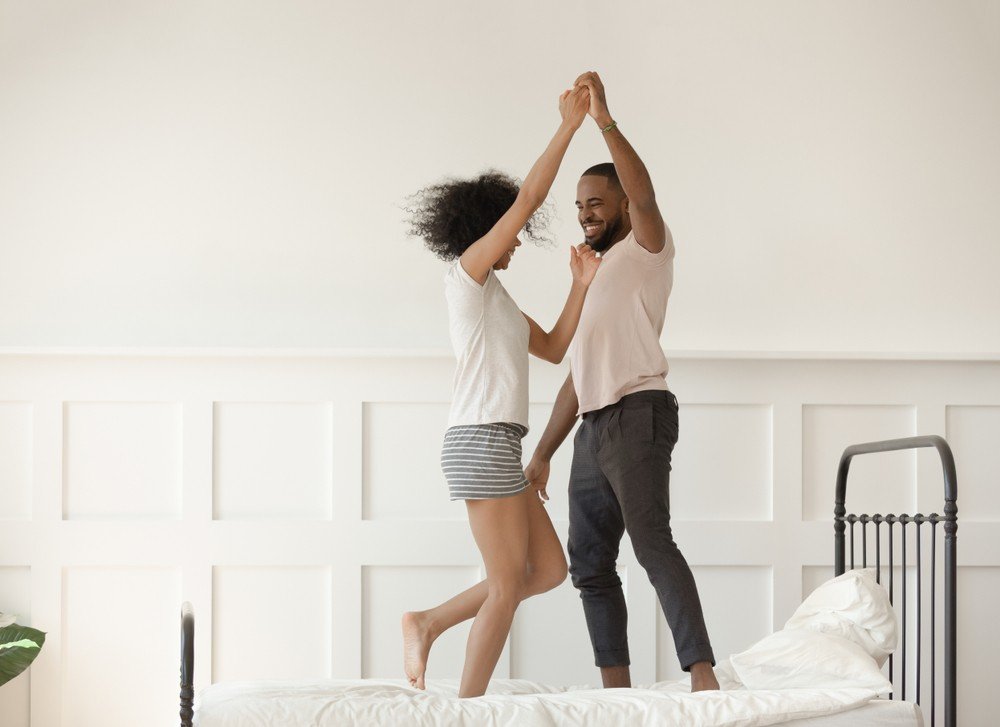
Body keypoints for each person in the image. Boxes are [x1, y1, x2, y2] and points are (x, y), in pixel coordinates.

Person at [401, 85, 601, 698]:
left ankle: (428, 620)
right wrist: (570, 126)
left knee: (548, 571)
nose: (518, 240)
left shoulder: (499, 301)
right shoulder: (466, 276)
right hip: (479, 441)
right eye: (511, 231)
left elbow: (557, 347)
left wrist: (581, 283)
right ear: (489, 228)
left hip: (496, 444)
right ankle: (467, 708)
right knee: (510, 582)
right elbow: (531, 198)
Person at [524, 71, 720, 692]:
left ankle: (703, 678)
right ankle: (617, 692)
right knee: (589, 562)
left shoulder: (645, 246)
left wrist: (602, 118)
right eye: (579, 204)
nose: (585, 213)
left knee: (651, 542)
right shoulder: (590, 271)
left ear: (621, 208)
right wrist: (543, 455)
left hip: (639, 410)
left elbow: (645, 196)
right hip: (592, 426)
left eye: (596, 202)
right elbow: (577, 374)